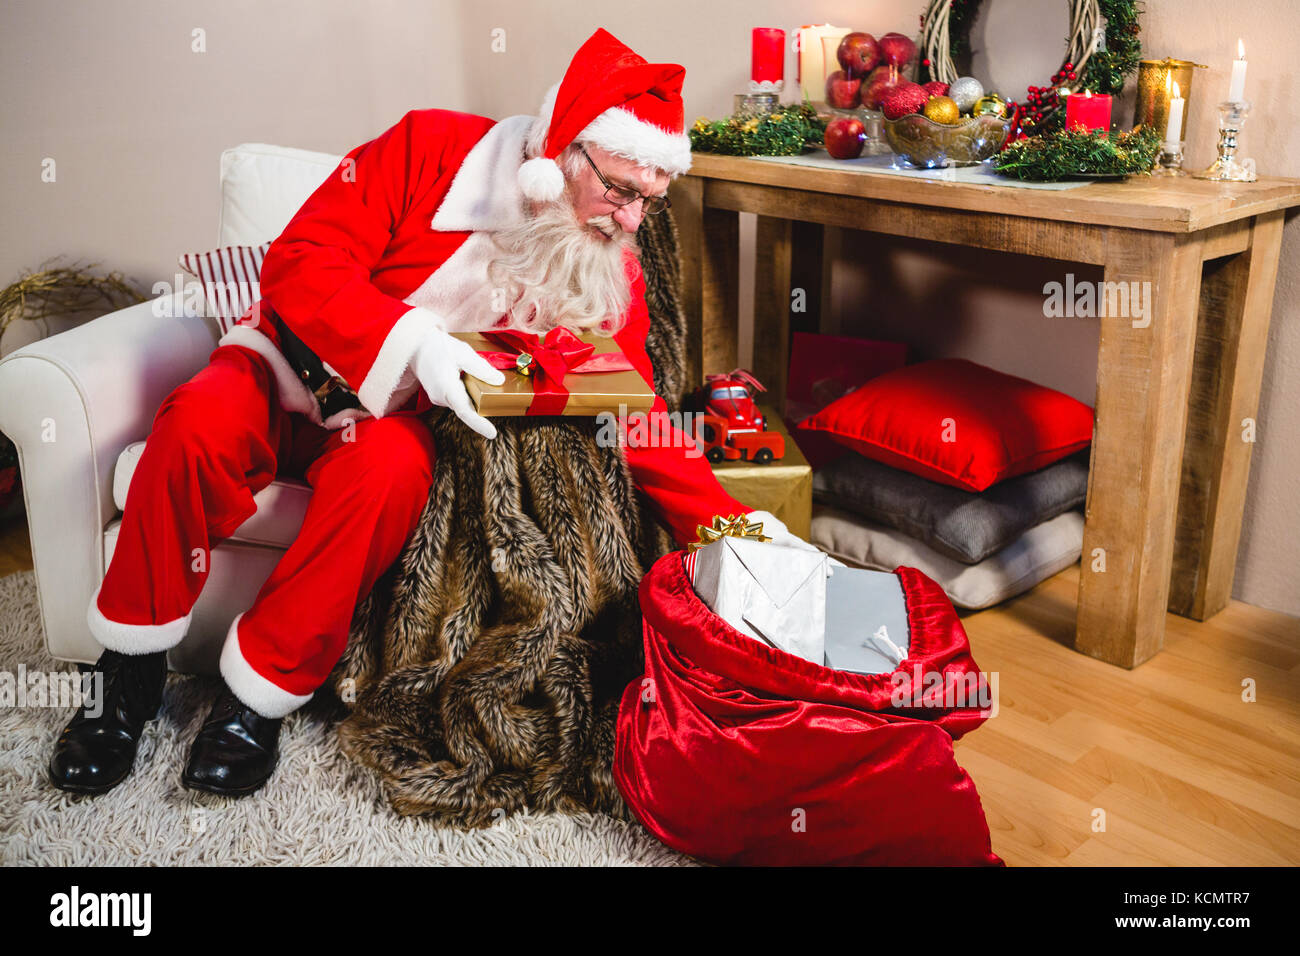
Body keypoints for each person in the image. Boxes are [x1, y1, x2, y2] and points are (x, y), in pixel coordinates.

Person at [48, 27, 822, 798]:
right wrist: (412, 342)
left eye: (648, 202)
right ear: (561, 152)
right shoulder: (427, 147)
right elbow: (302, 259)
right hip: (282, 365)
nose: (628, 221)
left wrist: (733, 525)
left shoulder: (603, 264)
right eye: (619, 190)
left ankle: (255, 699)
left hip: (387, 423)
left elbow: (630, 406)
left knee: (389, 474)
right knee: (193, 426)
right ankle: (127, 675)